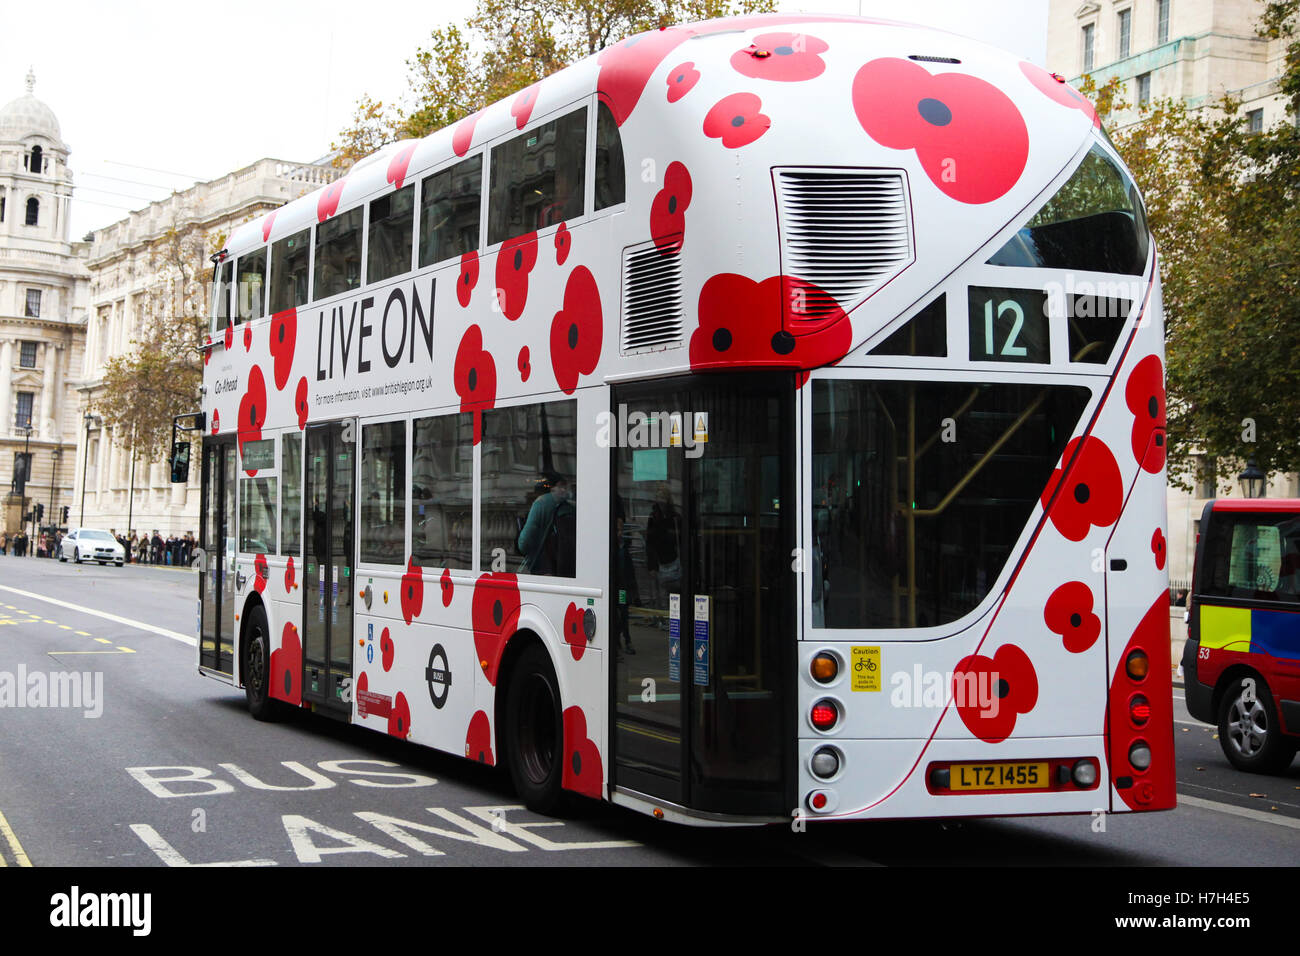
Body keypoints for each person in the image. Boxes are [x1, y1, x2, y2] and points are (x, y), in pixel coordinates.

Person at [517, 473, 575, 576]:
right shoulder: (570, 507)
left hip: (544, 567)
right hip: (567, 568)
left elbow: (524, 544)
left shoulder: (541, 504)